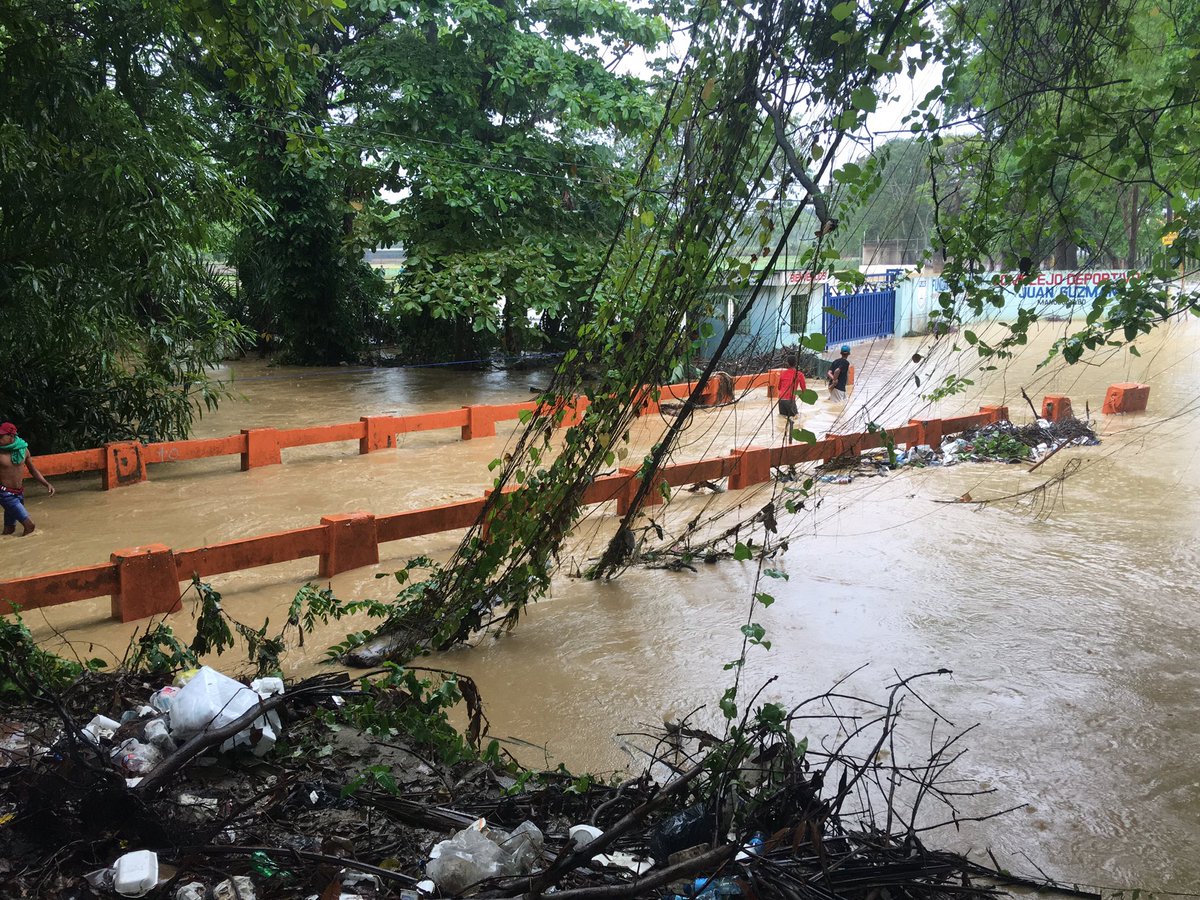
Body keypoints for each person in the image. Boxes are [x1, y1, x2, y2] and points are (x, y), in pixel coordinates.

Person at [0, 422, 54, 535]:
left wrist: (46, 484)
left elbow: (33, 470)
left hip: (19, 493)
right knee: (30, 526)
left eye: (1, 436)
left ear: (11, 436)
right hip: (5, 494)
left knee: (9, 530)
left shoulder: (23, 450)